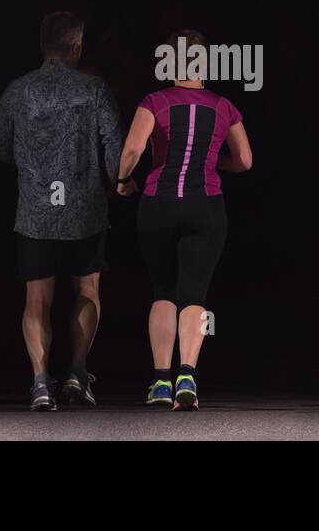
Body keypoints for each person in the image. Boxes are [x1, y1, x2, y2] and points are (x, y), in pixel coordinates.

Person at [0, 12, 122, 411]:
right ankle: (78, 372)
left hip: (35, 210)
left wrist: (31, 165)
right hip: (86, 211)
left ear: (42, 44)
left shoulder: (19, 89)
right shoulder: (94, 88)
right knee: (88, 290)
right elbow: (113, 146)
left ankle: (40, 382)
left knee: (36, 298)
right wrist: (119, 181)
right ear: (77, 46)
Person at [116, 29, 252, 410]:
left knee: (163, 291)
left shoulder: (154, 101)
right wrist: (214, 163)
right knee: (195, 295)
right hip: (206, 206)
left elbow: (132, 149)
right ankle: (187, 375)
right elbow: (245, 161)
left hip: (158, 204)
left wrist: (125, 180)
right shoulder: (224, 106)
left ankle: (160, 382)